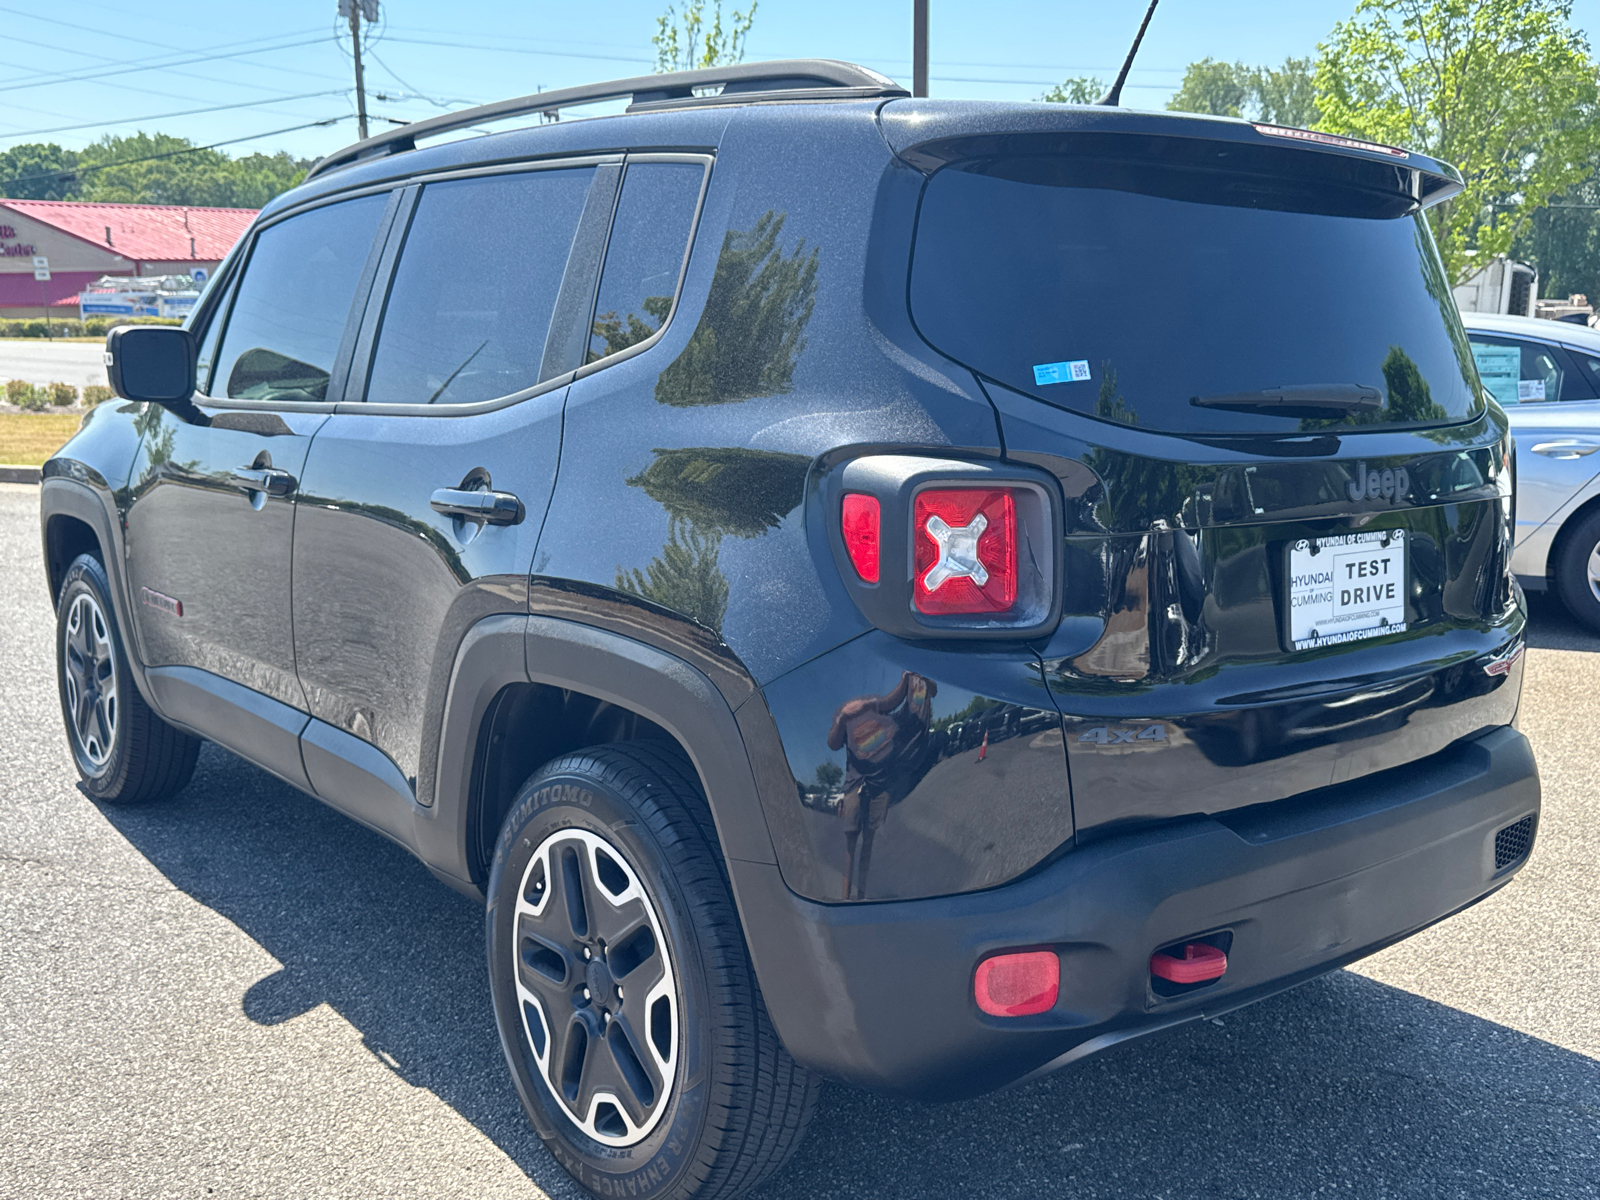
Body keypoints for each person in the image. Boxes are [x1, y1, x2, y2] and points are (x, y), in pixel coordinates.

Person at [825, 671, 938, 899]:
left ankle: (862, 896)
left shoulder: (874, 703)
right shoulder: (843, 713)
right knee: (850, 841)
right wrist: (842, 719)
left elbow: (899, 700)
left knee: (869, 839)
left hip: (880, 784)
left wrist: (910, 681)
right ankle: (845, 897)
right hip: (854, 785)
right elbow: (833, 742)